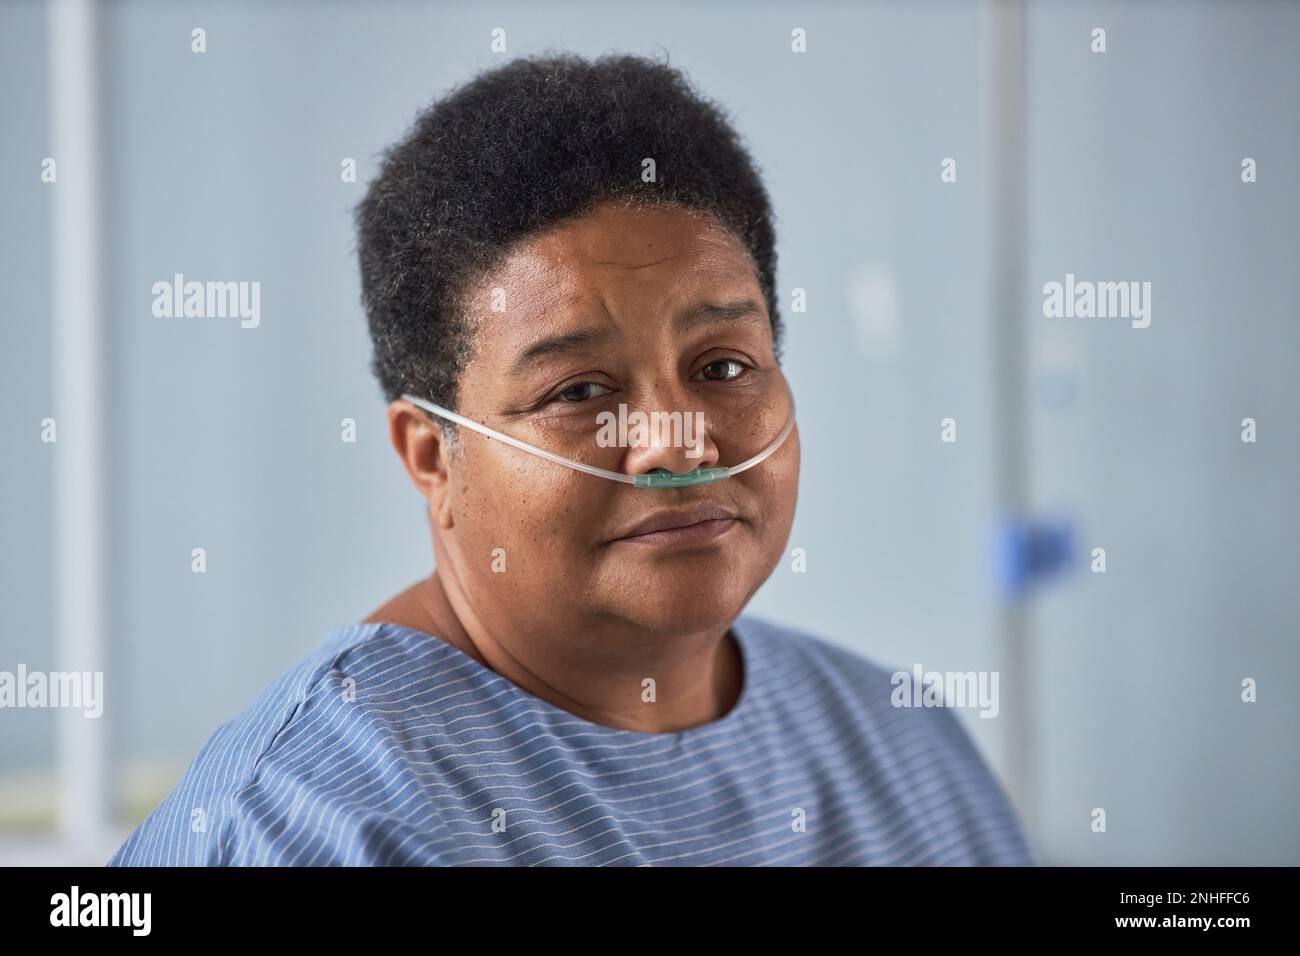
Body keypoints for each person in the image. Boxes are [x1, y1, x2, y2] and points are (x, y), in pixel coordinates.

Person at [109, 53, 1033, 866]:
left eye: (722, 367)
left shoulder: (897, 739)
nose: (676, 443)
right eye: (580, 392)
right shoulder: (308, 822)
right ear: (432, 456)